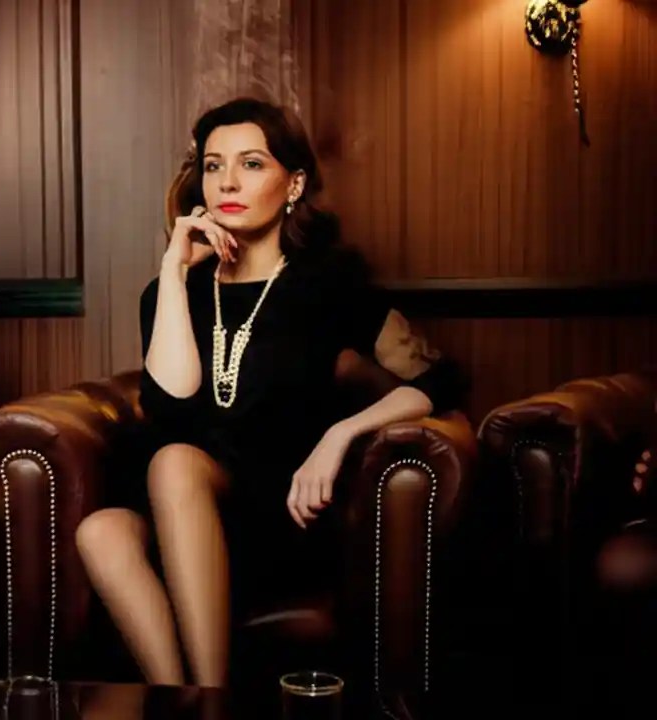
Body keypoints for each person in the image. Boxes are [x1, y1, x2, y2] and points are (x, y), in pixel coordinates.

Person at [72, 97, 463, 689]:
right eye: (212, 165)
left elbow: (440, 378)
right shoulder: (170, 290)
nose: (227, 181)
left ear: (294, 182)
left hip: (278, 513)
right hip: (181, 505)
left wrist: (341, 434)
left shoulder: (327, 282)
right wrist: (175, 272)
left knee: (174, 464)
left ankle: (210, 699)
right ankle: (193, 701)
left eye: (251, 164)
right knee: (100, 529)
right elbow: (172, 412)